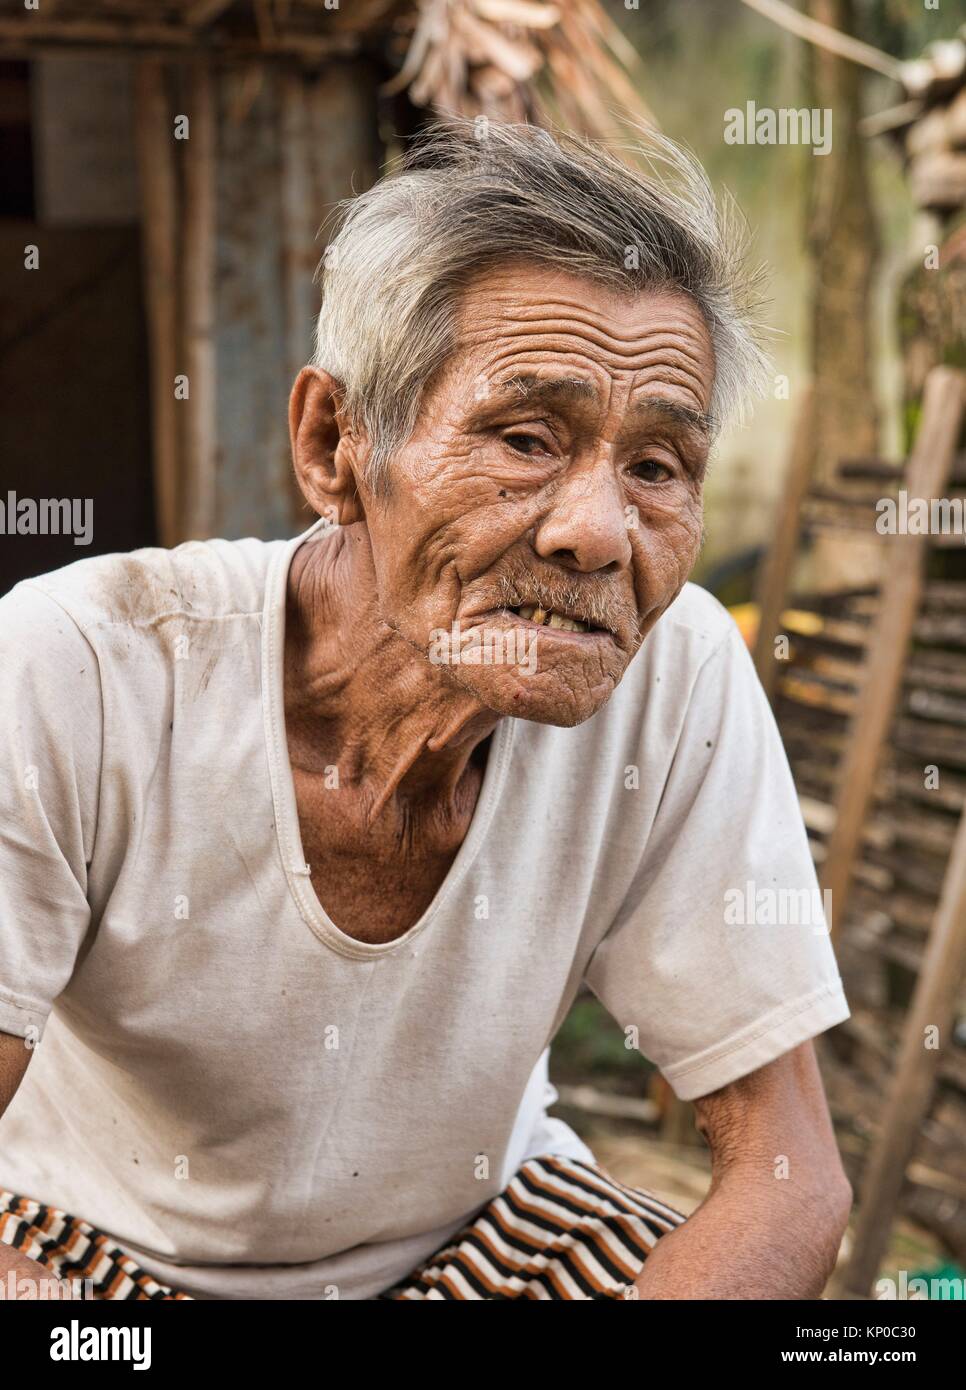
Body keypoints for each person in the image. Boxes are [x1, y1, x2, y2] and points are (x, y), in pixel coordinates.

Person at [0, 120, 850, 1301]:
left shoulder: (679, 673)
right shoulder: (78, 668)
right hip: (90, 1246)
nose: (596, 533)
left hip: (476, 1232)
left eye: (657, 466)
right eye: (524, 438)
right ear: (334, 445)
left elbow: (790, 1171)